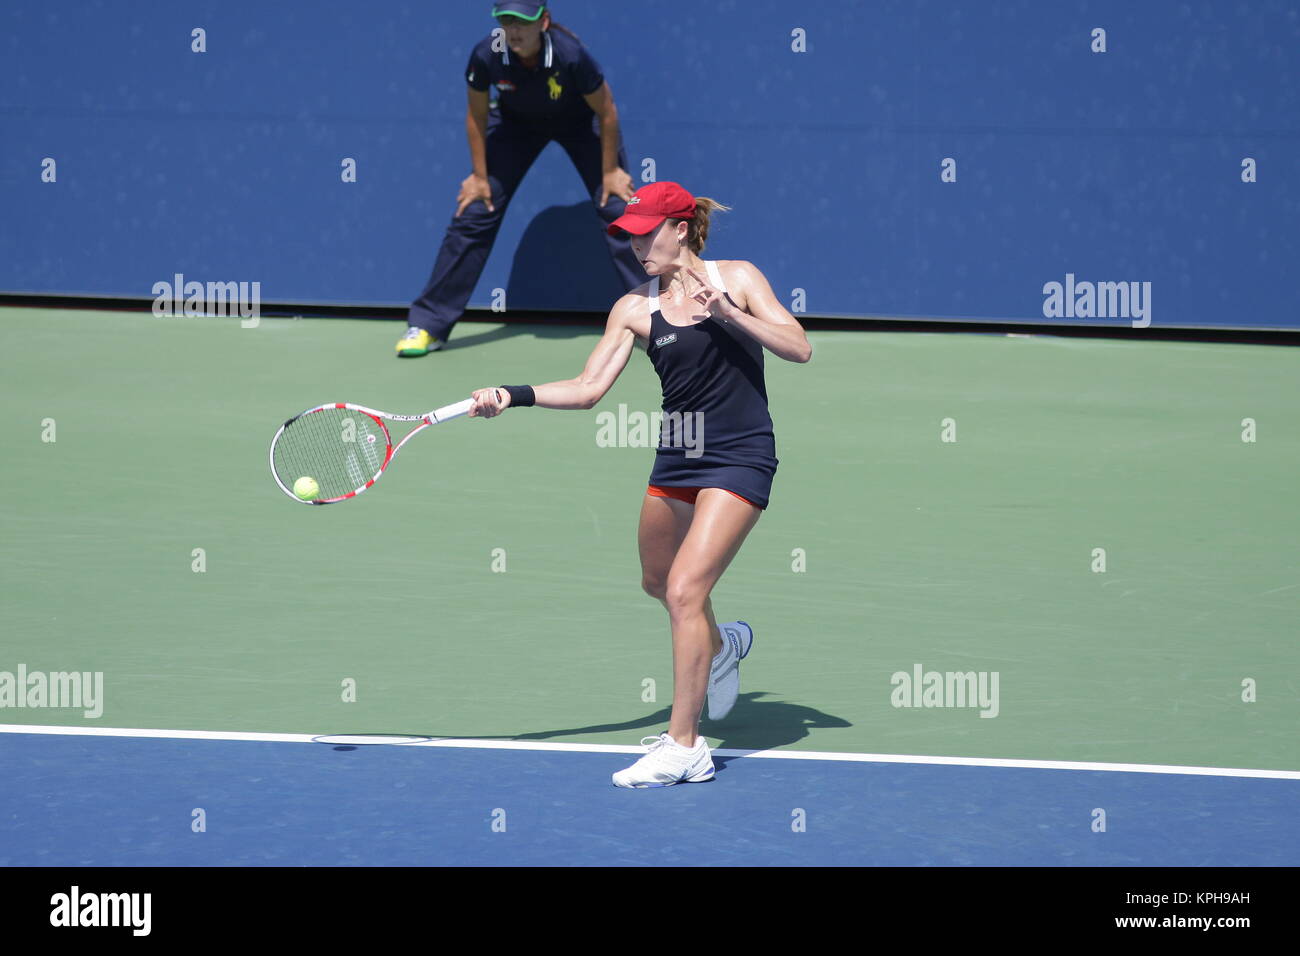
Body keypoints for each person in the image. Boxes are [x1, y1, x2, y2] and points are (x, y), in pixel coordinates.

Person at [467, 181, 812, 787]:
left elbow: (799, 348)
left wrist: (729, 313)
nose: (635, 246)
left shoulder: (740, 277)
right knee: (658, 582)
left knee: (684, 590)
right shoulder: (633, 308)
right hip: (677, 458)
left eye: (645, 232)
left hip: (740, 455)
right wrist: (511, 395)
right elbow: (587, 387)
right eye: (628, 235)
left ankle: (685, 747)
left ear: (681, 229)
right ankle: (724, 646)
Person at [396, 1, 641, 357]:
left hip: (580, 123)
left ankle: (659, 321)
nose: (513, 31)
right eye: (506, 22)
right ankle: (428, 325)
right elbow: (476, 115)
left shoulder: (570, 54)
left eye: (522, 22)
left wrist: (610, 172)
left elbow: (606, 110)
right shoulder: (486, 54)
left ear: (542, 22)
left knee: (617, 207)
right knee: (476, 209)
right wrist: (480, 177)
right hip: (515, 127)